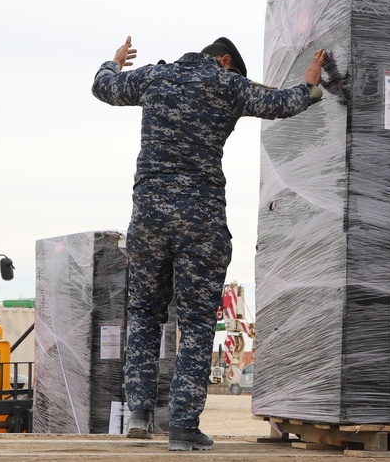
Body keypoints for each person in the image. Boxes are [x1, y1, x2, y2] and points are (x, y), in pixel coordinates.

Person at [92, 35, 325, 451]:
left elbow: (103, 88)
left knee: (145, 312)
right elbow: (279, 105)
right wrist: (310, 85)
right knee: (197, 322)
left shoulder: (153, 77)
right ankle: (183, 427)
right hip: (199, 219)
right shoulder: (227, 83)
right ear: (224, 60)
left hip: (148, 217)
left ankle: (140, 416)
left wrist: (113, 63)